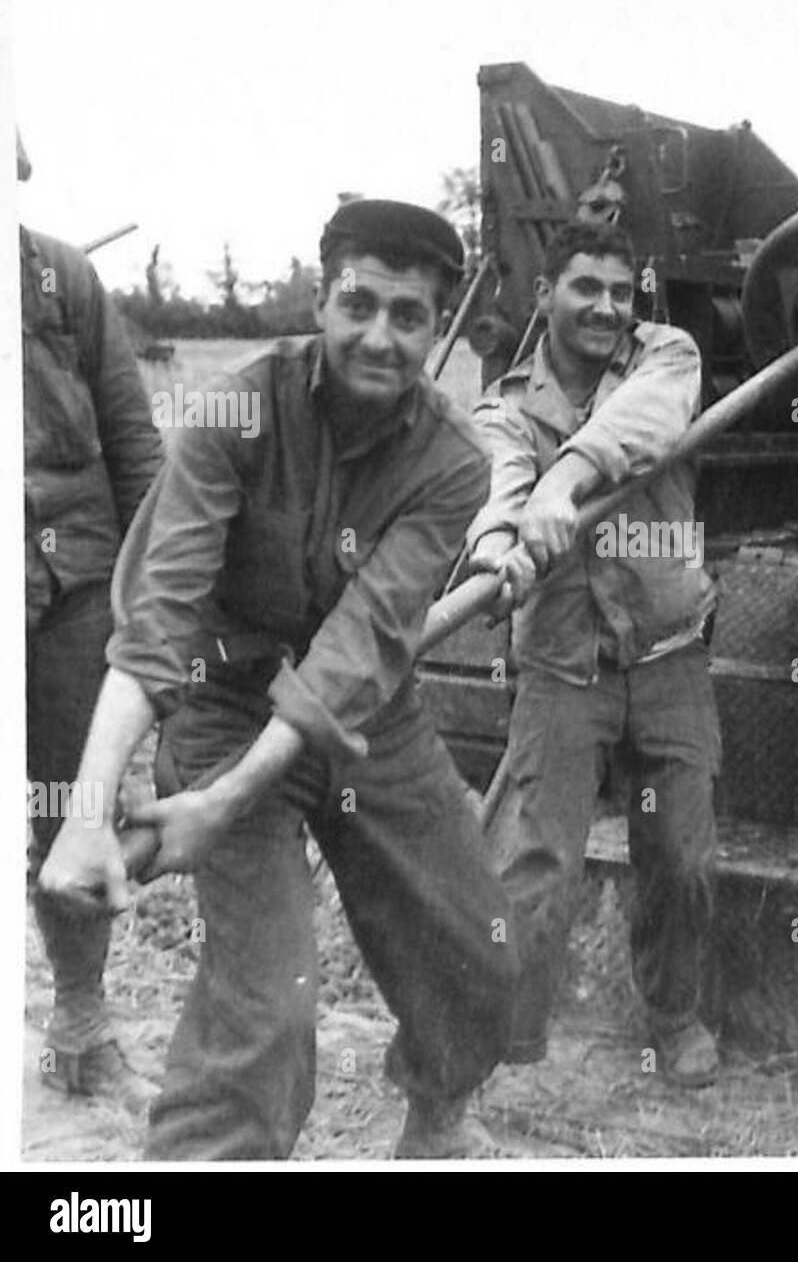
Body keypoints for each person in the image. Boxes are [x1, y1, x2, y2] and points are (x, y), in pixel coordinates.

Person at [39, 198, 519, 1159]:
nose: (379, 336)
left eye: (409, 315)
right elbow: (160, 617)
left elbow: (354, 654)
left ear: (437, 326)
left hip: (367, 709)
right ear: (320, 296)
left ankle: (435, 1120)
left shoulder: (454, 463)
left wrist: (221, 804)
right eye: (359, 303)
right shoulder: (234, 408)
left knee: (479, 955)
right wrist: (89, 810)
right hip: (223, 698)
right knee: (268, 1012)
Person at [466, 219, 722, 1087]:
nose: (608, 307)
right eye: (586, 289)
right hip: (562, 662)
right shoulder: (503, 404)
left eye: (621, 290)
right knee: (535, 868)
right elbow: (497, 478)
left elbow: (642, 426)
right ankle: (505, 1042)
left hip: (667, 652)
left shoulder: (668, 355)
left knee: (681, 857)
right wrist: (500, 540)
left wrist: (563, 482)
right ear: (544, 296)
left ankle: (676, 1017)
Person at [19, 131, 164, 1109]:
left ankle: (79, 1024)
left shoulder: (57, 281)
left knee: (73, 805)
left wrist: (154, 594)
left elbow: (135, 448)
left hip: (68, 588)